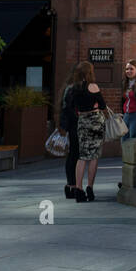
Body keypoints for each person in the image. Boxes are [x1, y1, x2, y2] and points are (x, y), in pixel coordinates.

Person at [69, 61, 107, 203]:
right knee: (94, 156)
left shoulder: (74, 88)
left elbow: (72, 106)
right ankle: (89, 188)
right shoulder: (93, 86)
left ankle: (78, 189)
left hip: (82, 120)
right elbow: (102, 105)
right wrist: (95, 104)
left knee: (82, 156)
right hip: (95, 121)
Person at [58, 64, 82, 200]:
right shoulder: (72, 88)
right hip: (74, 126)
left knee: (73, 155)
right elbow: (69, 109)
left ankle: (71, 185)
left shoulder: (69, 87)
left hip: (70, 125)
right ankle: (72, 185)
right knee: (74, 155)